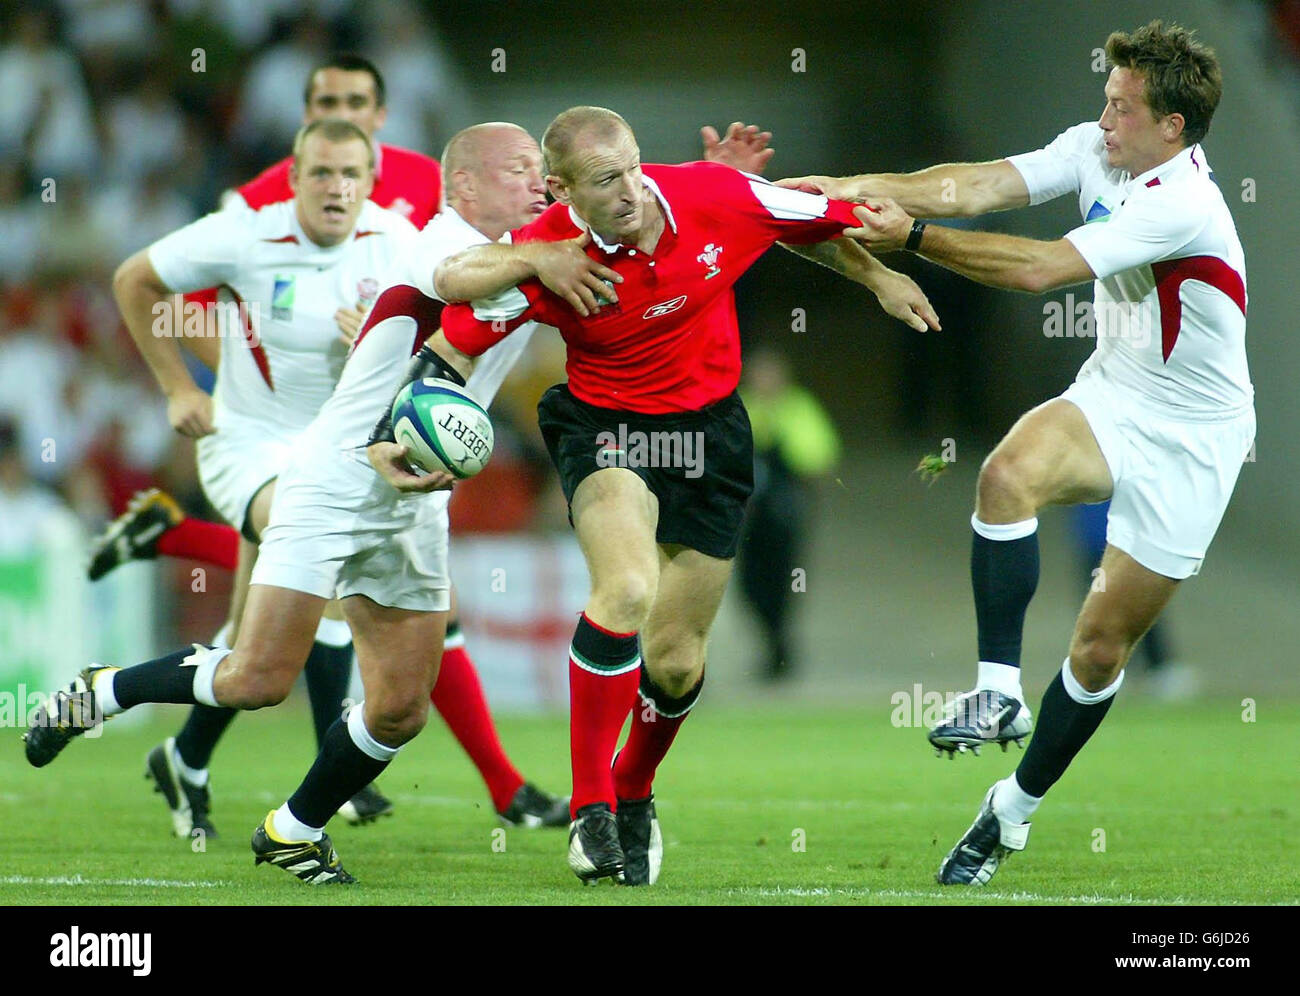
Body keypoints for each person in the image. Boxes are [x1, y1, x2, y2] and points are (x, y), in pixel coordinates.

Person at [24, 120, 779, 885]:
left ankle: (293, 829)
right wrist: (539, 254)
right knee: (258, 679)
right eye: (519, 169)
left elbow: (629, 221)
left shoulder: (541, 253)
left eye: (540, 171)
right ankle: (106, 690)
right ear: (464, 188)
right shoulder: (436, 243)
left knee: (398, 710)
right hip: (338, 480)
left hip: (414, 502)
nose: (538, 182)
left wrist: (699, 183)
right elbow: (453, 277)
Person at [394, 105, 939, 885]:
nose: (631, 190)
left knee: (678, 664)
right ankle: (590, 812)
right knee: (625, 589)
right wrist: (401, 433)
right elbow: (449, 346)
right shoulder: (547, 255)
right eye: (607, 180)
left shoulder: (715, 195)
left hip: (710, 436)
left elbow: (818, 219)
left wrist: (884, 272)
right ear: (561, 190)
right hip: (605, 429)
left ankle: (634, 789)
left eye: (635, 166)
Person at [820, 20, 1251, 884]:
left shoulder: (1183, 204)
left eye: (1123, 108)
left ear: (1172, 127)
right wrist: (839, 189)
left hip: (1197, 437)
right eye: (1105, 98)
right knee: (1005, 474)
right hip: (1115, 390)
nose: (1103, 119)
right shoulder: (1098, 150)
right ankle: (997, 692)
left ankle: (1009, 812)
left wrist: (905, 239)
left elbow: (1037, 270)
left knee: (1099, 649)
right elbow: (973, 187)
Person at [735, 346, 840, 681]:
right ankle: (773, 640)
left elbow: (819, 455)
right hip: (747, 515)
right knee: (748, 585)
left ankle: (780, 646)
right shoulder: (739, 406)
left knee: (782, 582)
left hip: (784, 512)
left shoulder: (799, 406)